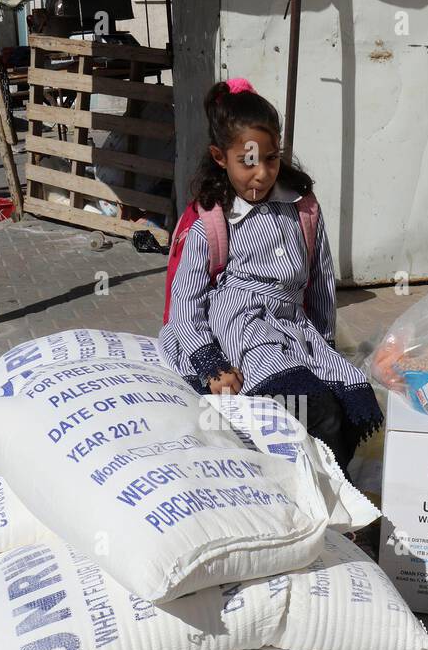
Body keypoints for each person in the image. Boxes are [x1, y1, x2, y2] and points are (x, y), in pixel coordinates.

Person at [161, 78, 384, 474]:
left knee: (350, 406)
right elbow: (186, 305)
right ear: (220, 156)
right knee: (318, 413)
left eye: (271, 158)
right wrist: (214, 365)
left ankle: (331, 495)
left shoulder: (302, 208)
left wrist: (325, 348)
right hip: (243, 331)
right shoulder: (210, 221)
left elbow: (320, 283)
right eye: (247, 161)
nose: (261, 173)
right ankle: (313, 497)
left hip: (295, 331)